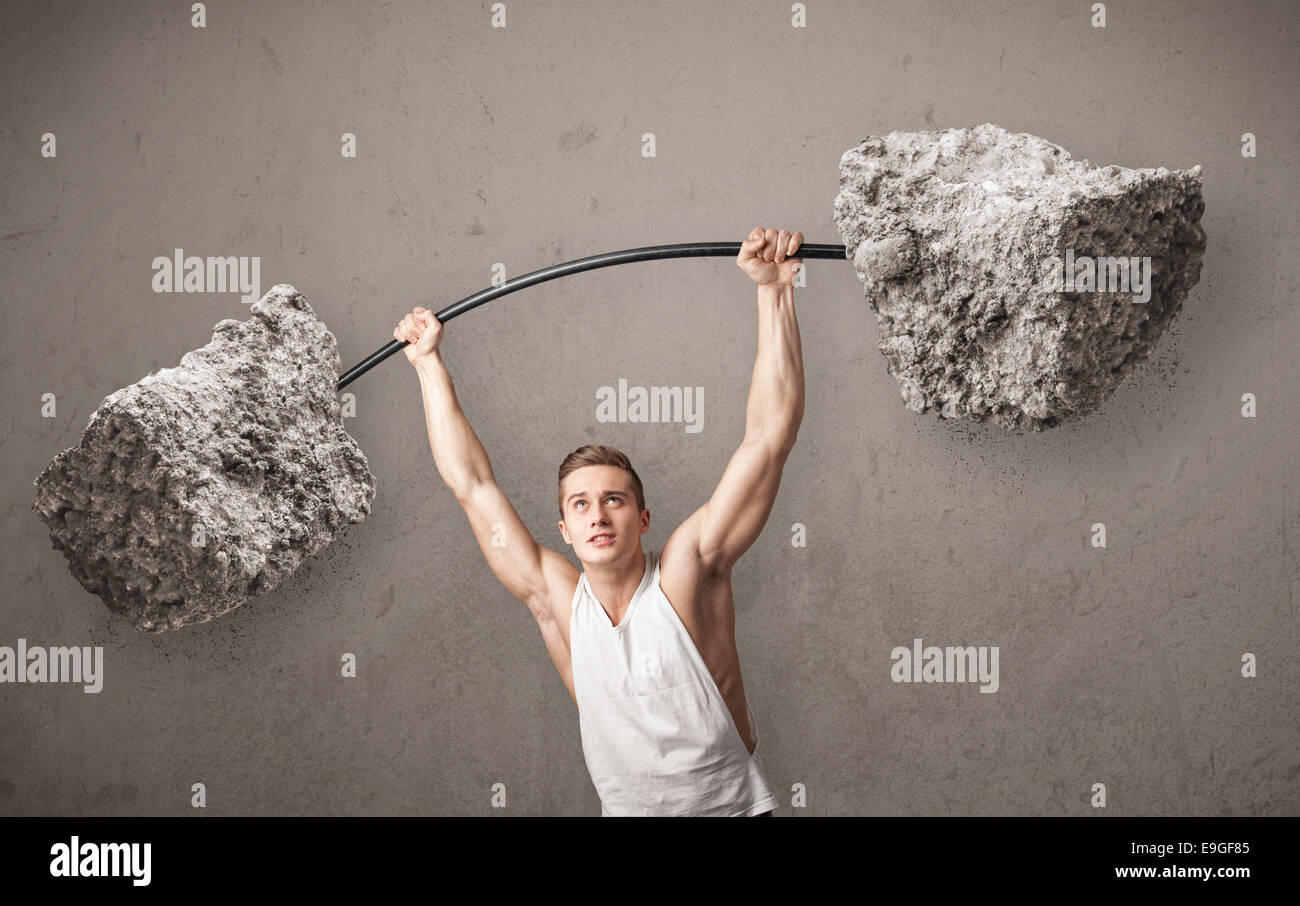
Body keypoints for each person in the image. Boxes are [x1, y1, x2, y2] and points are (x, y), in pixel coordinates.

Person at [393, 226, 805, 816]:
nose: (597, 513)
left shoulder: (689, 572)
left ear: (642, 519)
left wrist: (774, 293)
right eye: (580, 504)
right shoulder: (557, 599)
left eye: (614, 500)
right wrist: (428, 364)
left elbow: (768, 440)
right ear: (564, 530)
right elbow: (473, 487)